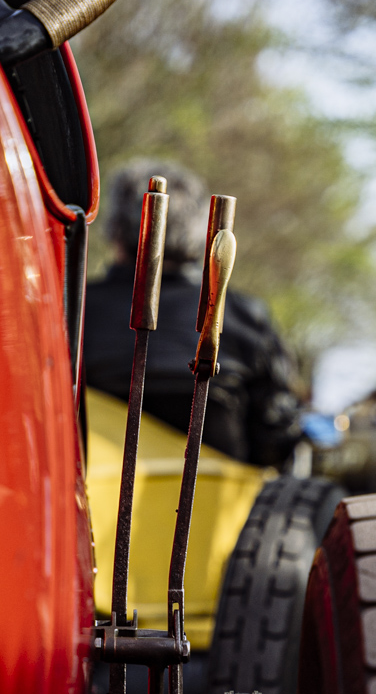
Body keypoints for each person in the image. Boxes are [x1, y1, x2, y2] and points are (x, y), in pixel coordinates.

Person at [82, 162, 302, 468]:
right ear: (201, 231)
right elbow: (276, 434)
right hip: (219, 510)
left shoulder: (71, 308)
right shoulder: (245, 316)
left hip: (88, 503)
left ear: (115, 229)